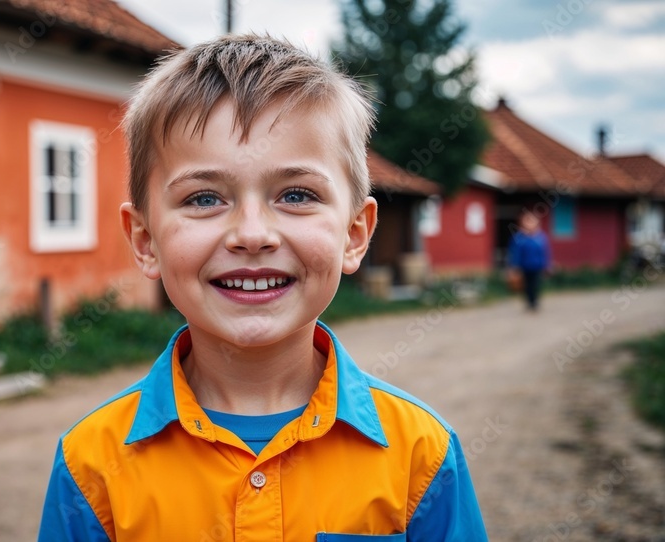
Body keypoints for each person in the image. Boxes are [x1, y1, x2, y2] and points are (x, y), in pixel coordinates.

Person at [38, 34, 488, 541]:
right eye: (205, 198)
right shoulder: (91, 466)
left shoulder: (421, 458)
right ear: (145, 241)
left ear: (354, 234)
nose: (252, 234)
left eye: (296, 194)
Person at [507, 211, 551, 310]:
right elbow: (515, 252)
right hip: (524, 266)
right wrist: (513, 266)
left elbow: (546, 252)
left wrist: (547, 265)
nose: (530, 224)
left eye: (532, 221)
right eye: (527, 221)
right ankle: (529, 302)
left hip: (537, 266)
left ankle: (534, 302)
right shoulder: (519, 237)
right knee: (526, 285)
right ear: (523, 223)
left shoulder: (541, 237)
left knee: (535, 284)